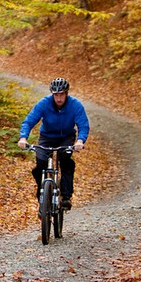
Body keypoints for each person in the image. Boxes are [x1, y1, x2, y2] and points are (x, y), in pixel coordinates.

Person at [17, 77, 89, 210]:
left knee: (66, 160)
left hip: (66, 137)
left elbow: (83, 125)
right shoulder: (44, 103)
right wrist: (23, 138)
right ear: (52, 94)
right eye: (56, 95)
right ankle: (42, 193)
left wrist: (80, 140)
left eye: (61, 94)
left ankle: (66, 196)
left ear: (66, 93)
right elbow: (28, 121)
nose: (59, 98)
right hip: (47, 137)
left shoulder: (75, 105)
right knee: (41, 163)